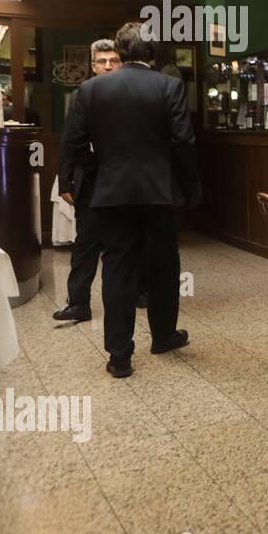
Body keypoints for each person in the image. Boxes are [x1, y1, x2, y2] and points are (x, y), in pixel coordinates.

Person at [61, 22, 200, 377]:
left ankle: (119, 354)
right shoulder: (169, 86)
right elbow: (183, 142)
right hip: (160, 192)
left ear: (120, 53)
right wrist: (188, 186)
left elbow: (74, 145)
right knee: (164, 265)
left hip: (112, 193)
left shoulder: (90, 91)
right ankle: (164, 336)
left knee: (118, 269)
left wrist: (101, 169)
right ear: (153, 52)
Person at [53, 40, 122, 323]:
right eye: (102, 61)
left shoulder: (131, 95)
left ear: (121, 63)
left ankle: (139, 293)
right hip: (91, 180)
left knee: (129, 241)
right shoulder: (83, 94)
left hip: (125, 183)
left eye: (113, 60)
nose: (108, 65)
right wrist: (66, 182)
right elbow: (70, 141)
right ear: (93, 66)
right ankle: (79, 303)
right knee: (85, 245)